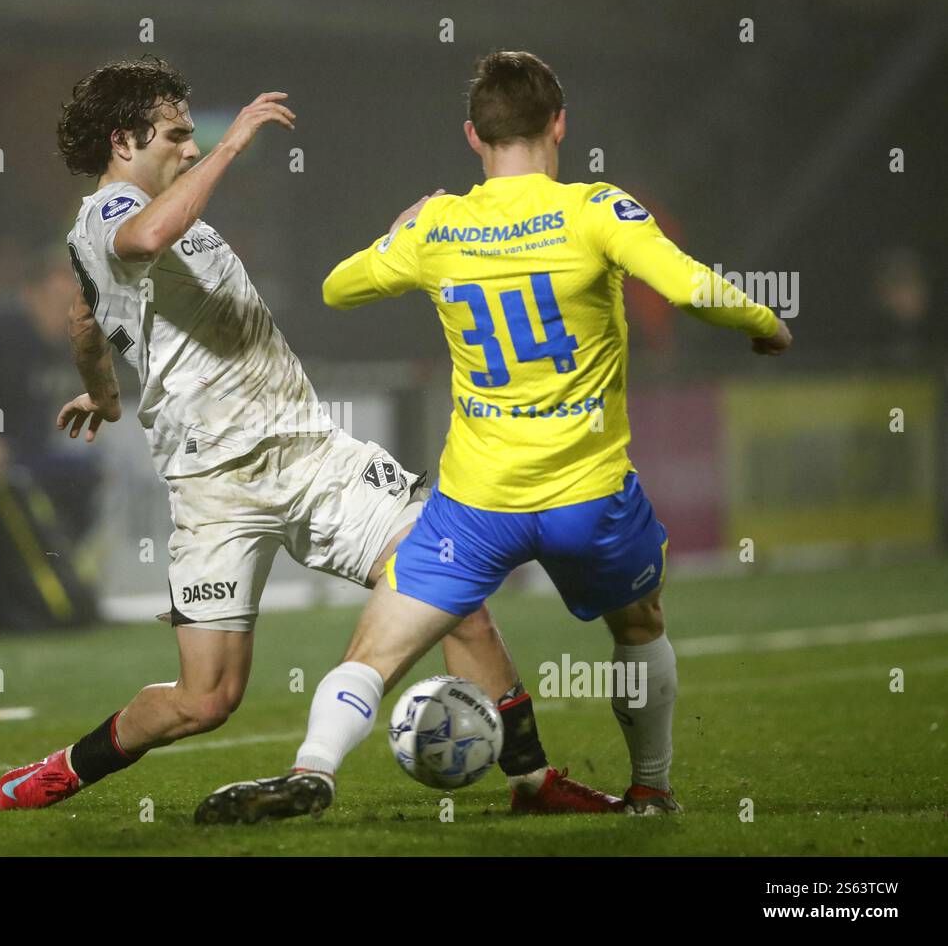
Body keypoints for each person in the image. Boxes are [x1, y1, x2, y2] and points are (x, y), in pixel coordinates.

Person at [0, 57, 615, 815]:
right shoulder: (110, 213)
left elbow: (85, 319)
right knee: (206, 698)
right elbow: (145, 238)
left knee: (450, 583)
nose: (191, 147)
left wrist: (101, 389)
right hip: (216, 487)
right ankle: (62, 770)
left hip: (313, 457)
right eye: (179, 135)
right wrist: (233, 142)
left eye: (198, 138)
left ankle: (532, 779)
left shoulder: (146, 225)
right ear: (124, 140)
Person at [197, 49, 792, 823]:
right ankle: (650, 790)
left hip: (476, 505)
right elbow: (691, 288)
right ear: (559, 124)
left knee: (373, 654)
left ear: (473, 137)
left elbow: (337, 288)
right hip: (589, 496)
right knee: (640, 626)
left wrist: (402, 231)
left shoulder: (442, 226)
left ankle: (314, 767)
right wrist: (764, 324)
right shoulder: (597, 211)